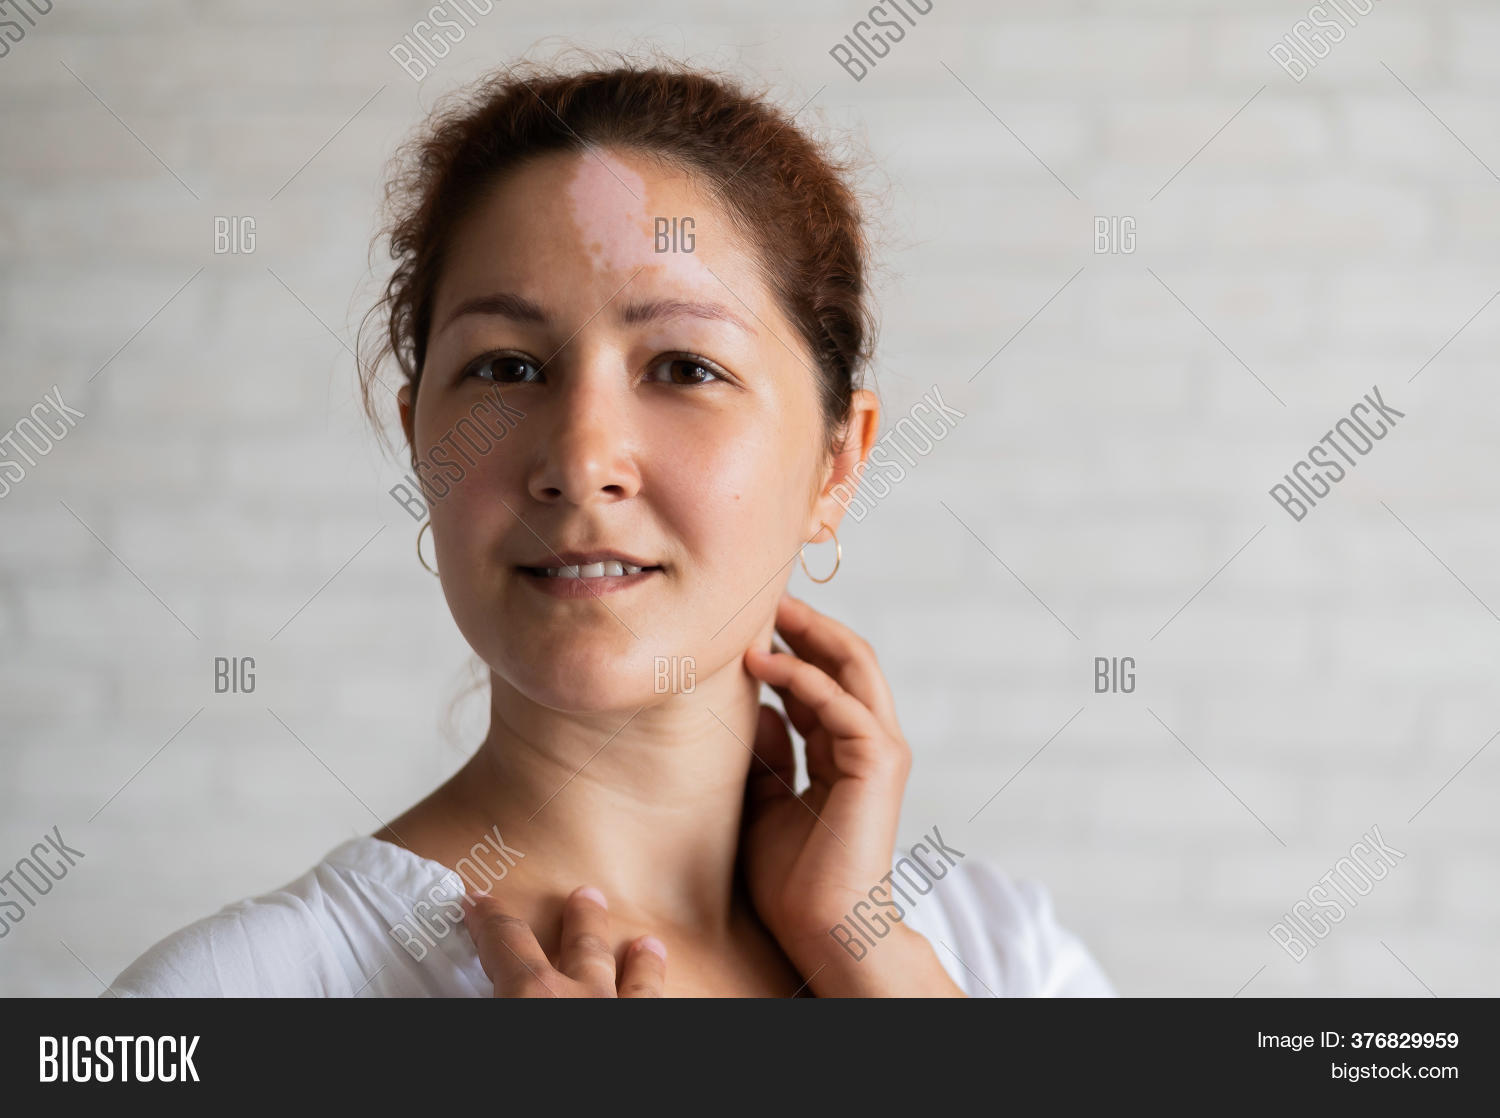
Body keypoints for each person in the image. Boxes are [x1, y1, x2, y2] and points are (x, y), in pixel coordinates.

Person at [110, 56, 1113, 998]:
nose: (581, 461)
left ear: (836, 462)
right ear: (419, 439)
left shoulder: (1000, 955)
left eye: (685, 368)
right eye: (505, 367)